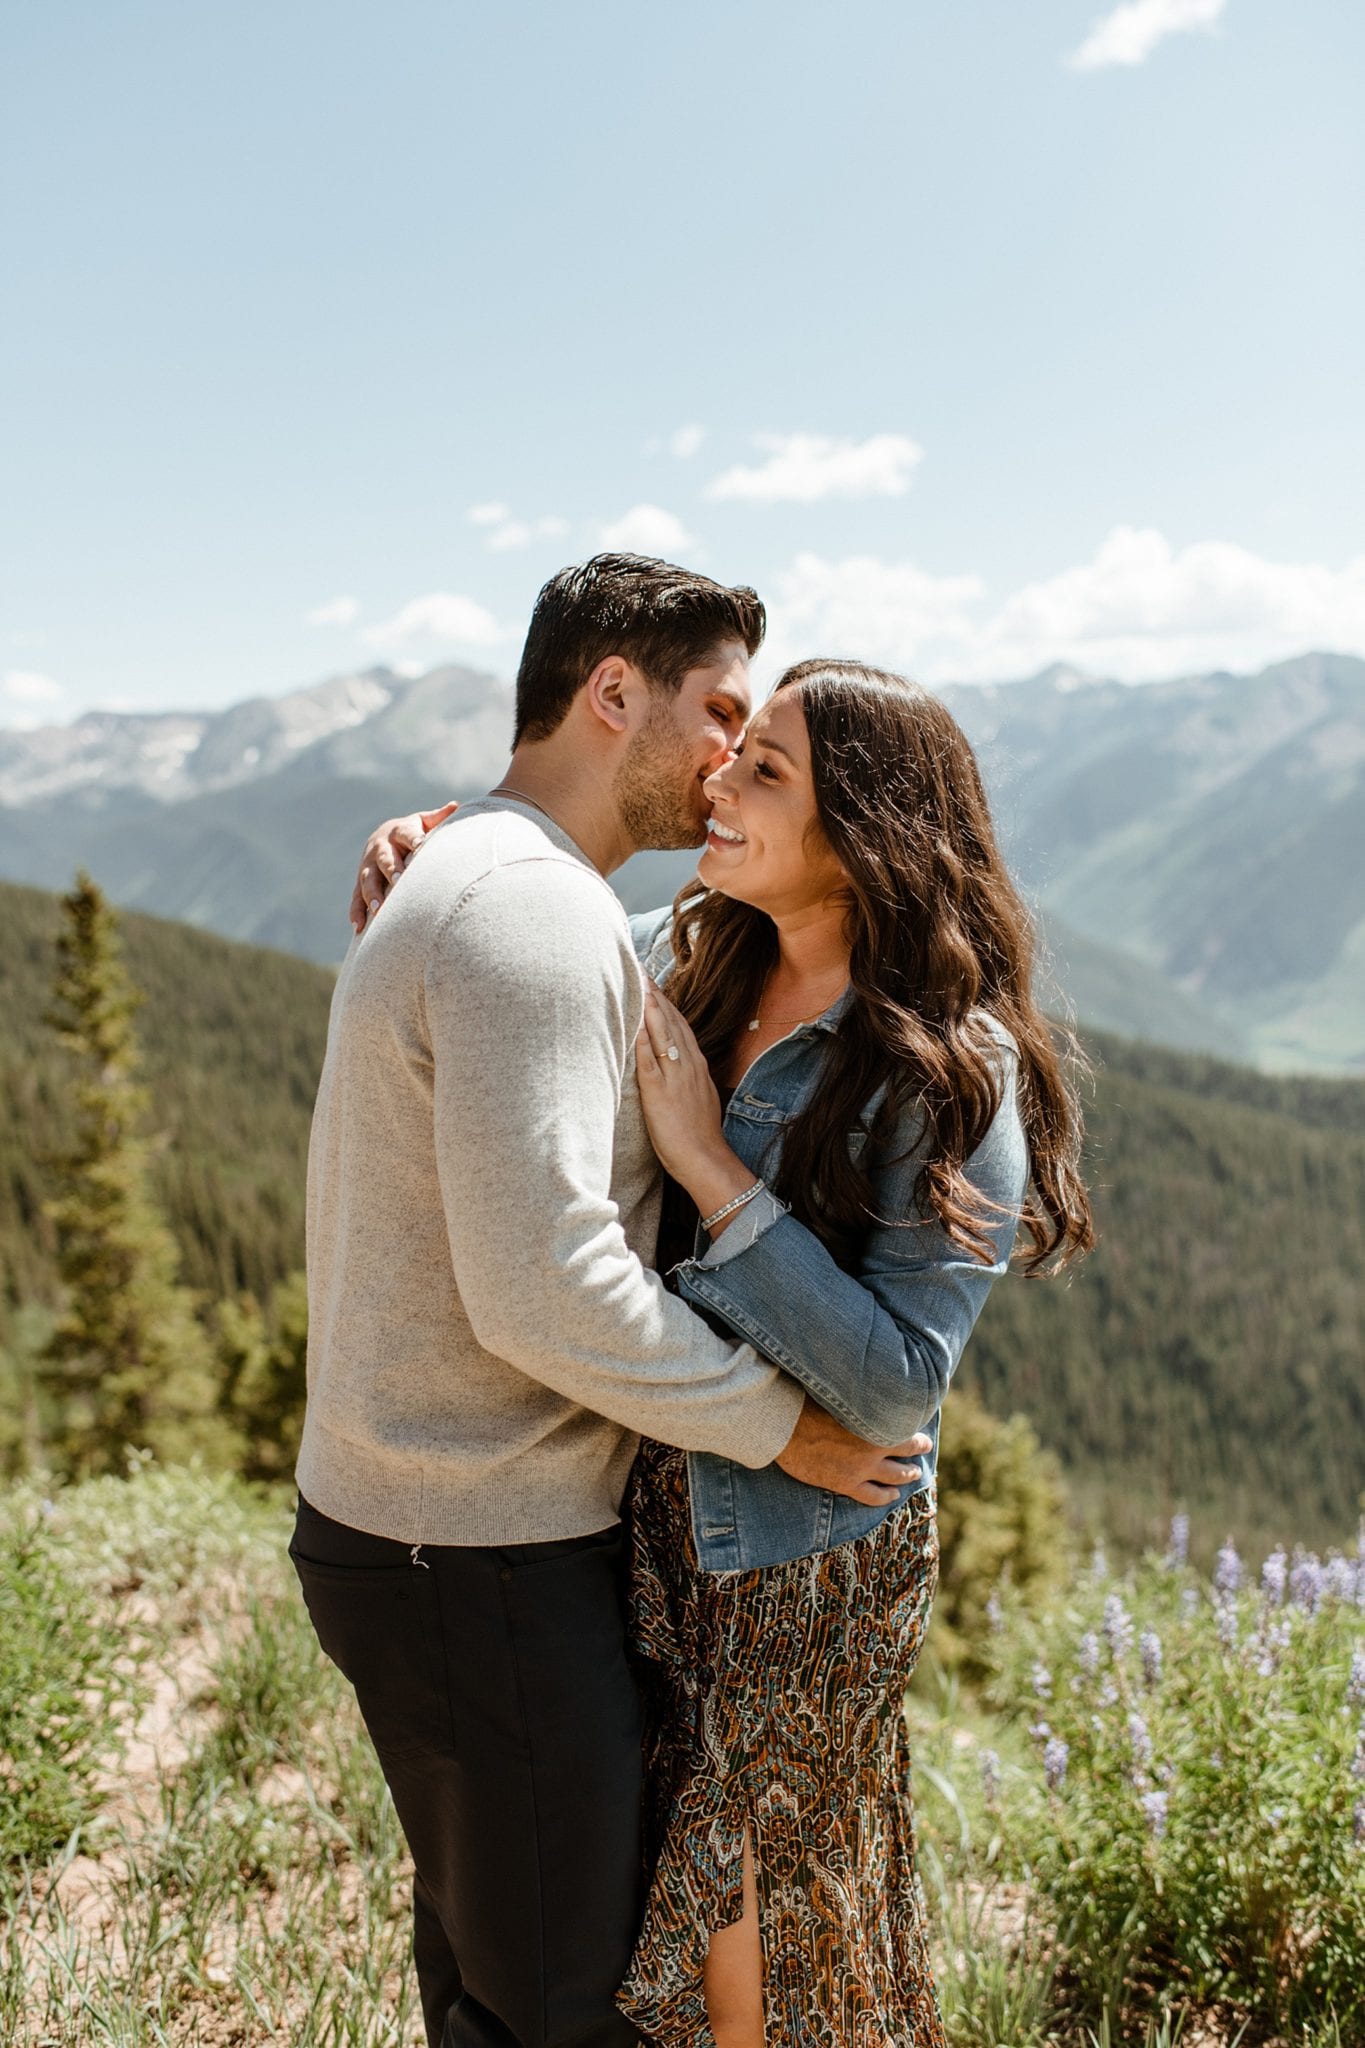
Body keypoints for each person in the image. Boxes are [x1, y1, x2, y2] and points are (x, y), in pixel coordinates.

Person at [364, 657, 1093, 2045]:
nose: (721, 782)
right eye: (733, 749)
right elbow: (525, 932)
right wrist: (431, 854)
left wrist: (713, 1171)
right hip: (653, 1515)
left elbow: (891, 1389)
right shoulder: (674, 957)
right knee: (697, 1897)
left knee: (744, 1910)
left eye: (766, 771)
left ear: (862, 838)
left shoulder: (951, 1070)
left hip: (804, 1552)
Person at [293, 555, 929, 2048]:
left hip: (429, 1532)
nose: (730, 754)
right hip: (479, 1547)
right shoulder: (526, 907)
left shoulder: (514, 890)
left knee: (490, 1972)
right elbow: (544, 1288)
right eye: (719, 711)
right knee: (565, 2007)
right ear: (611, 693)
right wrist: (783, 1428)